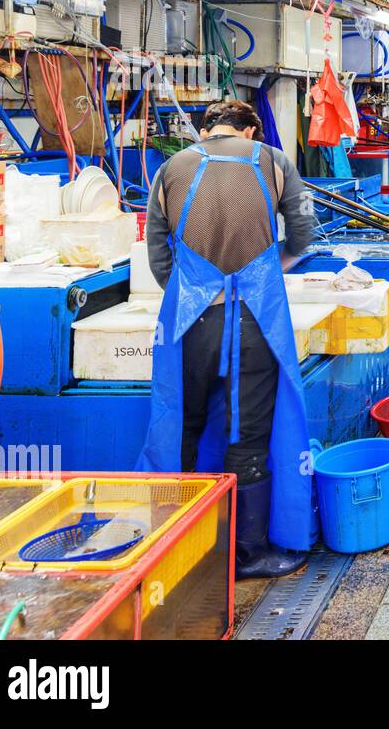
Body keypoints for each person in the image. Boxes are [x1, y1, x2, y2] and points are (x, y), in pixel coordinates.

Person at [140, 100, 318, 579]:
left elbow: (158, 252)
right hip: (256, 320)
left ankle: (179, 544)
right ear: (252, 129)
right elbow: (304, 234)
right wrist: (263, 272)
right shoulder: (275, 162)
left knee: (186, 426)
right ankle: (249, 553)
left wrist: (196, 290)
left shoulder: (169, 170)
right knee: (247, 432)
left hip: (190, 324)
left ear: (205, 130)